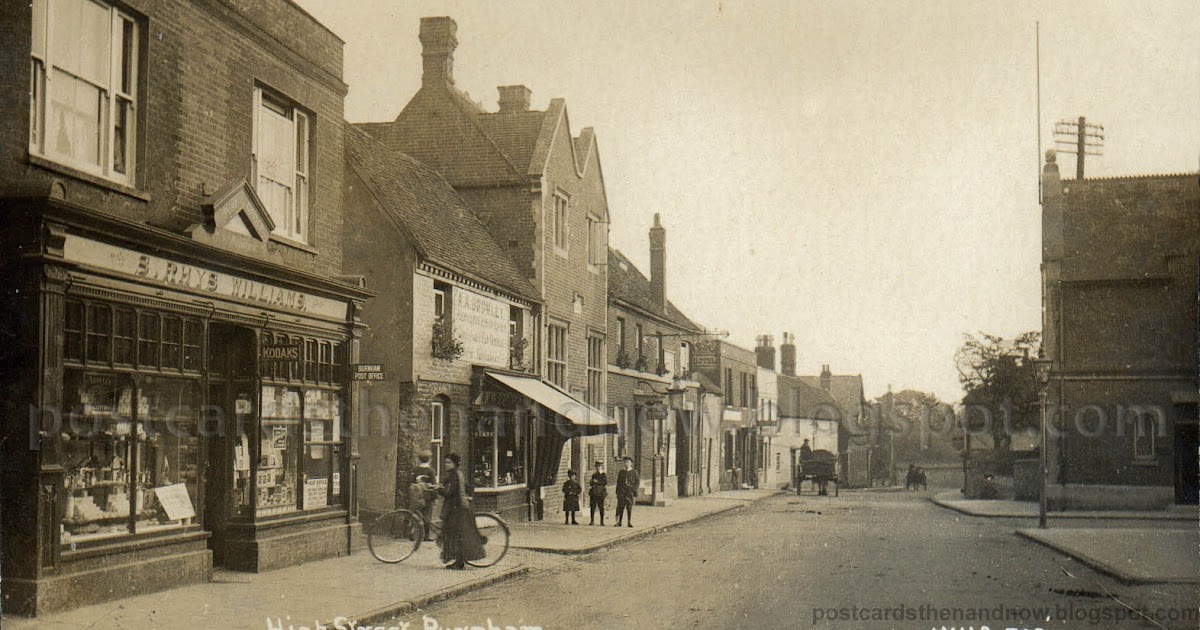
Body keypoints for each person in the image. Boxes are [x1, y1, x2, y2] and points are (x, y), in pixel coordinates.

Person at [437, 453, 485, 569]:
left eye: (449, 462)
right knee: (457, 535)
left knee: (455, 535)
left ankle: (458, 562)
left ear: (454, 463)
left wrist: (438, 489)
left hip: (457, 510)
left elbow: (449, 492)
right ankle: (458, 560)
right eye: (446, 462)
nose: (446, 464)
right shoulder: (458, 473)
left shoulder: (454, 475)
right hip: (460, 509)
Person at [409, 450, 437, 539]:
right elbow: (433, 485)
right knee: (427, 516)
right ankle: (426, 536)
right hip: (427, 497)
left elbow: (410, 483)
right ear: (430, 460)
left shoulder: (414, 470)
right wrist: (434, 497)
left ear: (419, 459)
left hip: (416, 497)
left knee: (416, 515)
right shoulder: (430, 471)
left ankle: (413, 534)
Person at [614, 456, 639, 528]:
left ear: (631, 463)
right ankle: (619, 522)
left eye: (628, 462)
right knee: (621, 507)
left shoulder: (634, 472)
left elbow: (637, 483)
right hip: (622, 492)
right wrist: (617, 492)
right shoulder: (621, 472)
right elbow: (618, 483)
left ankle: (629, 522)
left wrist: (634, 490)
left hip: (629, 492)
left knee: (629, 507)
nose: (626, 464)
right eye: (625, 462)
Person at [588, 461, 607, 525]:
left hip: (600, 492)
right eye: (597, 467)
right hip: (594, 492)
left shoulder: (604, 475)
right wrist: (592, 482)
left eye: (599, 467)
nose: (598, 468)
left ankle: (602, 521)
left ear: (602, 467)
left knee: (601, 507)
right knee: (592, 506)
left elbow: (604, 483)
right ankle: (592, 520)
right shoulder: (594, 475)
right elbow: (591, 483)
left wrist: (597, 481)